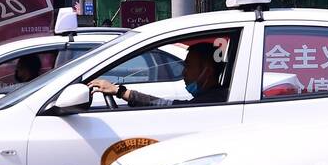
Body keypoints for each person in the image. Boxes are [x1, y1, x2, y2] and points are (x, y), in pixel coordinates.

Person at [89, 43, 226, 107]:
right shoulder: (213, 99)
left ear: (206, 72)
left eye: (188, 66)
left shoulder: (210, 103)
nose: (183, 72)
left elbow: (167, 105)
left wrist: (119, 91)